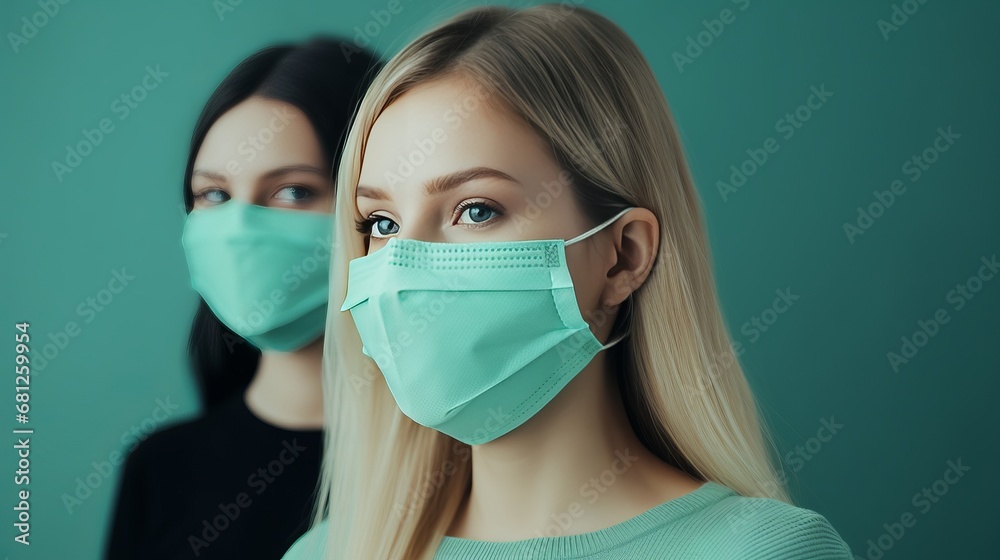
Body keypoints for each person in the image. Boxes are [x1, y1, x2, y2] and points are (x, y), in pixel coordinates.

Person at [285, 4, 852, 559]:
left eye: (476, 210)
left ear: (622, 257)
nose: (402, 270)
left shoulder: (765, 551)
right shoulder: (325, 553)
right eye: (380, 224)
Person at [104, 38, 380, 560]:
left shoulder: (463, 462)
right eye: (214, 195)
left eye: (294, 191)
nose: (238, 230)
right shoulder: (161, 468)